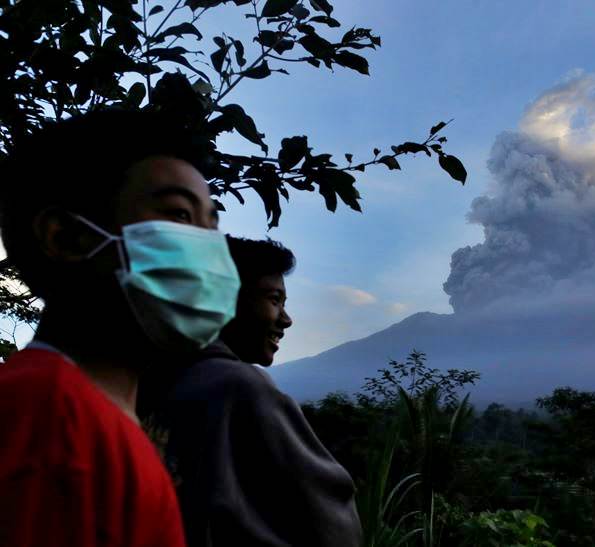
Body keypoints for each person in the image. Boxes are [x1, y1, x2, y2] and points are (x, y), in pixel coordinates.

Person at [0, 110, 241, 546]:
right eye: (179, 214)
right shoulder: (48, 420)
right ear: (66, 237)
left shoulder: (98, 418)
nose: (209, 251)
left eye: (211, 226)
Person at [139, 237, 362, 547]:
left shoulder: (148, 383)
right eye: (274, 300)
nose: (286, 319)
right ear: (222, 299)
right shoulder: (240, 387)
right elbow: (331, 520)